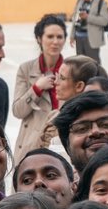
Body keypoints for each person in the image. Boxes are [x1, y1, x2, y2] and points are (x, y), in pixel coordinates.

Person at [13, 15, 71, 156]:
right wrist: (36, 89)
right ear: (39, 39)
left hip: (63, 142)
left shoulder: (72, 69)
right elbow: (18, 111)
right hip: (31, 145)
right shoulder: (26, 70)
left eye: (60, 37)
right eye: (50, 36)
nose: (55, 42)